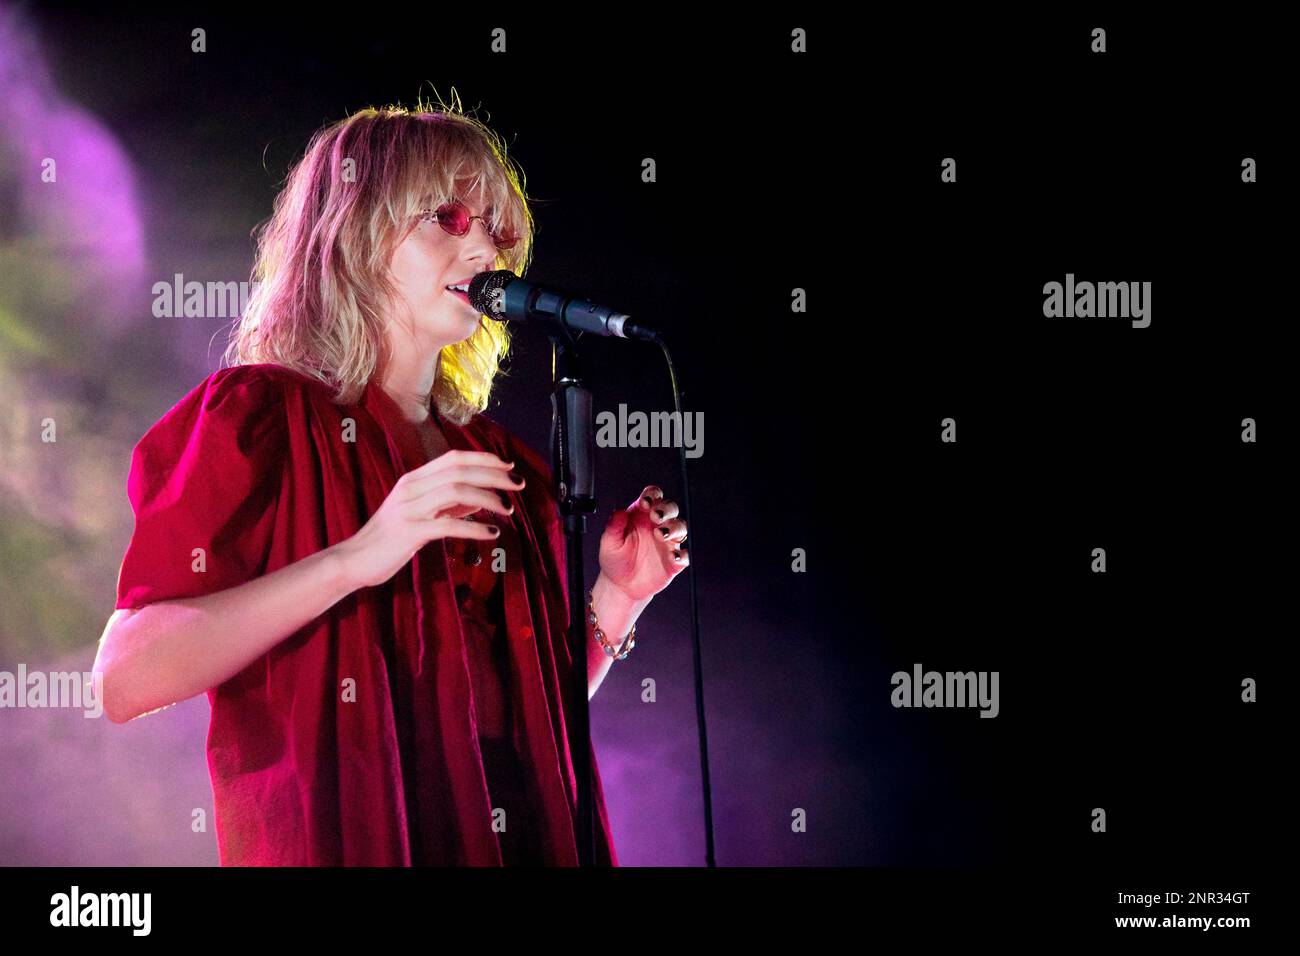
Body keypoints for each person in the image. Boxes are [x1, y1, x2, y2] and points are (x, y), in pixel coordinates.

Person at [93, 101, 689, 866]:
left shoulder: (506, 468)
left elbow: (529, 727)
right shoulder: (260, 418)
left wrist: (620, 595)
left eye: (496, 230)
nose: (483, 248)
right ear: (353, 236)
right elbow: (126, 678)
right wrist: (359, 556)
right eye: (447, 217)